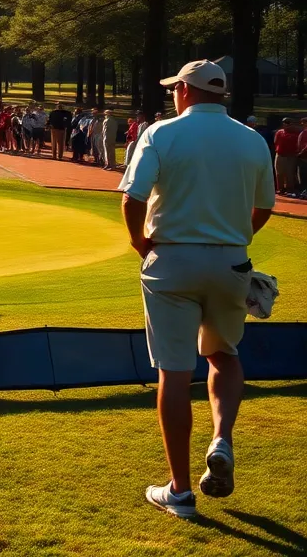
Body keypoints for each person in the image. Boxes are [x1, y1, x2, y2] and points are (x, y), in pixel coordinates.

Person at [118, 60, 275, 519]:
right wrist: (232, 236)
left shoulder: (161, 133)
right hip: (230, 259)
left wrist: (140, 243)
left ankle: (181, 491)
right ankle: (221, 438)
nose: (172, 94)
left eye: (175, 88)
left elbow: (133, 198)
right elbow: (264, 205)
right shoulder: (251, 139)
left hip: (172, 259)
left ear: (185, 91)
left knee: (173, 371)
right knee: (223, 355)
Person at [272, 117, 301, 195]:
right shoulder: (280, 132)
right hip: (280, 155)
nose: (286, 124)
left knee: (289, 173)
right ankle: (280, 189)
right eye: (284, 122)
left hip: (291, 156)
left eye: (288, 122)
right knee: (279, 172)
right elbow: (275, 141)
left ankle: (290, 189)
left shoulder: (297, 133)